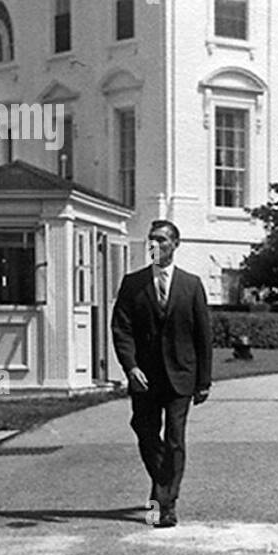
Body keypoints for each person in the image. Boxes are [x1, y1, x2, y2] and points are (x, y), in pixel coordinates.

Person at [111, 220, 213, 528]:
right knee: (144, 430)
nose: (155, 246)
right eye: (151, 240)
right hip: (145, 377)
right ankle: (165, 487)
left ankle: (164, 505)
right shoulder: (133, 283)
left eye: (162, 241)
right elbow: (121, 329)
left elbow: (203, 336)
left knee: (174, 440)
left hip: (181, 376)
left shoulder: (192, 285)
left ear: (175, 245)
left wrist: (203, 382)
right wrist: (131, 367)